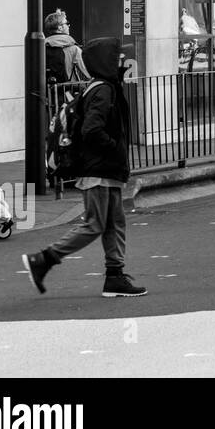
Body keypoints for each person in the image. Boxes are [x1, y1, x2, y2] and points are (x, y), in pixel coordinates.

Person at [23, 38, 146, 298]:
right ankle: (44, 259)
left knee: (114, 222)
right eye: (115, 58)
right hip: (98, 170)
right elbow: (92, 129)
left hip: (106, 170)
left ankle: (115, 277)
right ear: (104, 61)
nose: (120, 62)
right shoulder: (103, 90)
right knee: (94, 224)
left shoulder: (103, 87)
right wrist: (114, 147)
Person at [44, 10, 90, 86]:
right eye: (67, 23)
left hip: (47, 91)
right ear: (60, 28)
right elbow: (88, 73)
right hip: (69, 91)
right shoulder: (74, 49)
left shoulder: (42, 48)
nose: (69, 26)